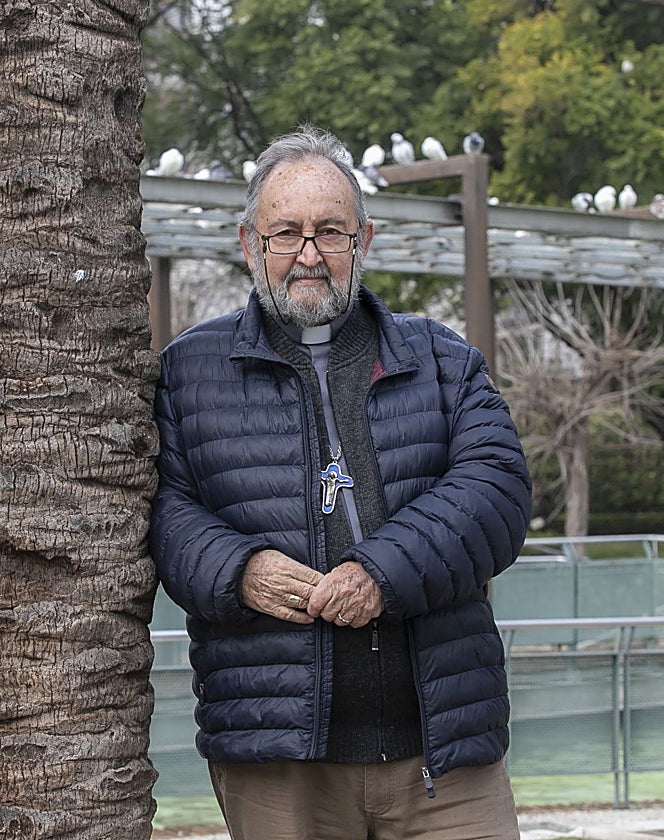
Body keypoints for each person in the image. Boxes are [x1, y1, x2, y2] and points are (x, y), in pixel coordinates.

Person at [150, 125, 531, 840]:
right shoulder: (187, 372)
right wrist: (240, 570)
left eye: (330, 231)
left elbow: (498, 491)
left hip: (443, 756)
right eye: (285, 233)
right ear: (248, 245)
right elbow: (162, 510)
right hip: (277, 758)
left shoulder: (444, 359)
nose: (308, 254)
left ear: (365, 240)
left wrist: (379, 573)